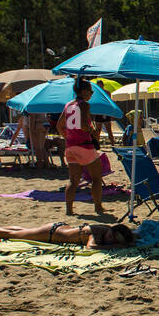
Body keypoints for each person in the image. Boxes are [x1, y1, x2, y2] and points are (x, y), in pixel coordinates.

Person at [60, 79, 107, 216]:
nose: (92, 94)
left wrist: (67, 136)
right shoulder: (84, 105)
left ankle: (69, 210)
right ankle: (98, 208)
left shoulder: (68, 104)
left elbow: (59, 125)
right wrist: (92, 131)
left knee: (73, 181)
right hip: (84, 146)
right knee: (97, 178)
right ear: (84, 91)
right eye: (91, 91)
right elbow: (83, 125)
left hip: (70, 146)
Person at [0, 221, 134, 249]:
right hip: (51, 234)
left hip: (57, 228)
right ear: (111, 230)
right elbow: (92, 247)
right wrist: (117, 246)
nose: (109, 240)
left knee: (22, 231)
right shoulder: (96, 233)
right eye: (112, 236)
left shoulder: (104, 228)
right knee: (14, 235)